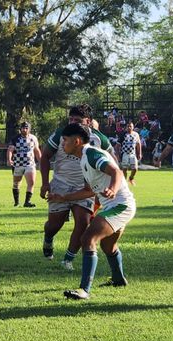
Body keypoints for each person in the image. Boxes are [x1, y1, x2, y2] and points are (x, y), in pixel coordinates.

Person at [49, 123, 135, 300]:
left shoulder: (92, 154)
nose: (62, 144)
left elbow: (117, 172)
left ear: (77, 141)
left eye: (65, 140)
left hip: (120, 206)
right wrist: (63, 198)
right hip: (114, 206)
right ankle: (118, 280)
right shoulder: (83, 160)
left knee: (88, 238)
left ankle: (84, 290)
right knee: (107, 246)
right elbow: (88, 191)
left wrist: (112, 189)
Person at [40, 104, 114, 271]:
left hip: (85, 187)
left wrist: (109, 186)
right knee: (54, 225)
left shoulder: (99, 139)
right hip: (60, 184)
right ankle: (48, 237)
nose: (72, 122)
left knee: (83, 223)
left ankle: (68, 259)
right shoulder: (61, 134)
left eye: (77, 120)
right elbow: (45, 156)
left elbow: (112, 161)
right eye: (70, 119)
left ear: (88, 121)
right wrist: (45, 183)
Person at [7, 122, 41, 207]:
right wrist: (9, 159)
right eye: (23, 128)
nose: (24, 130)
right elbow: (10, 150)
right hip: (18, 164)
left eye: (26, 128)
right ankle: (16, 202)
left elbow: (37, 150)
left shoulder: (33, 138)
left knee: (31, 182)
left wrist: (41, 161)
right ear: (20, 129)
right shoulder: (15, 139)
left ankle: (27, 202)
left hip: (30, 164)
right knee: (16, 183)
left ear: (29, 129)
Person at [116, 121, 142, 185]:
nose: (129, 127)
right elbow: (117, 145)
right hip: (124, 153)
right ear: (126, 127)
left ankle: (131, 178)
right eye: (128, 126)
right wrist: (117, 155)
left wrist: (139, 153)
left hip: (133, 153)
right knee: (125, 169)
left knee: (135, 169)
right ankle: (124, 182)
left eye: (131, 126)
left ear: (133, 127)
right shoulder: (123, 134)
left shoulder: (136, 134)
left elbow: (138, 144)